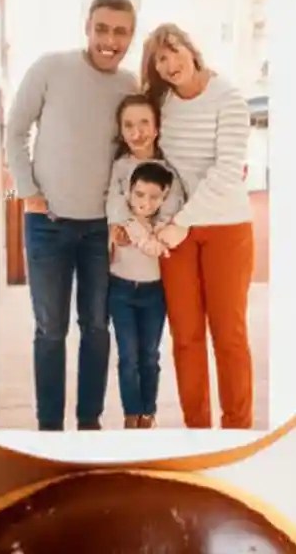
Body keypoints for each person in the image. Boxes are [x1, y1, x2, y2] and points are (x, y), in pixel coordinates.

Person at [3, 0, 140, 431]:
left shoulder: (130, 85)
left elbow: (137, 150)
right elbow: (15, 131)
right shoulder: (50, 68)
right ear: (87, 27)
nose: (109, 41)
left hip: (101, 228)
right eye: (102, 29)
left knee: (97, 326)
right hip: (47, 224)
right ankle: (49, 426)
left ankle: (88, 422)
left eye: (120, 32)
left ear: (131, 37)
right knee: (50, 329)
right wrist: (29, 193)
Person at [141, 23, 256, 430]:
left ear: (191, 49)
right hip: (177, 231)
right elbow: (161, 165)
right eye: (160, 58)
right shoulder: (163, 104)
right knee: (186, 336)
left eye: (174, 51)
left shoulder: (229, 98)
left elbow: (227, 170)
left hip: (226, 227)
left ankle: (237, 428)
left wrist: (181, 222)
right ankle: (197, 429)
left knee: (228, 334)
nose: (170, 63)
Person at [104, 94, 183, 429]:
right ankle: (130, 414)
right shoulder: (120, 168)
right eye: (128, 126)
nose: (137, 132)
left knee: (149, 355)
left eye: (144, 123)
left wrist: (144, 231)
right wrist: (131, 231)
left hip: (155, 288)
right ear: (121, 131)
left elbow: (171, 215)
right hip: (120, 284)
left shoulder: (169, 172)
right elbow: (114, 207)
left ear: (157, 127)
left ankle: (148, 413)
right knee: (127, 356)